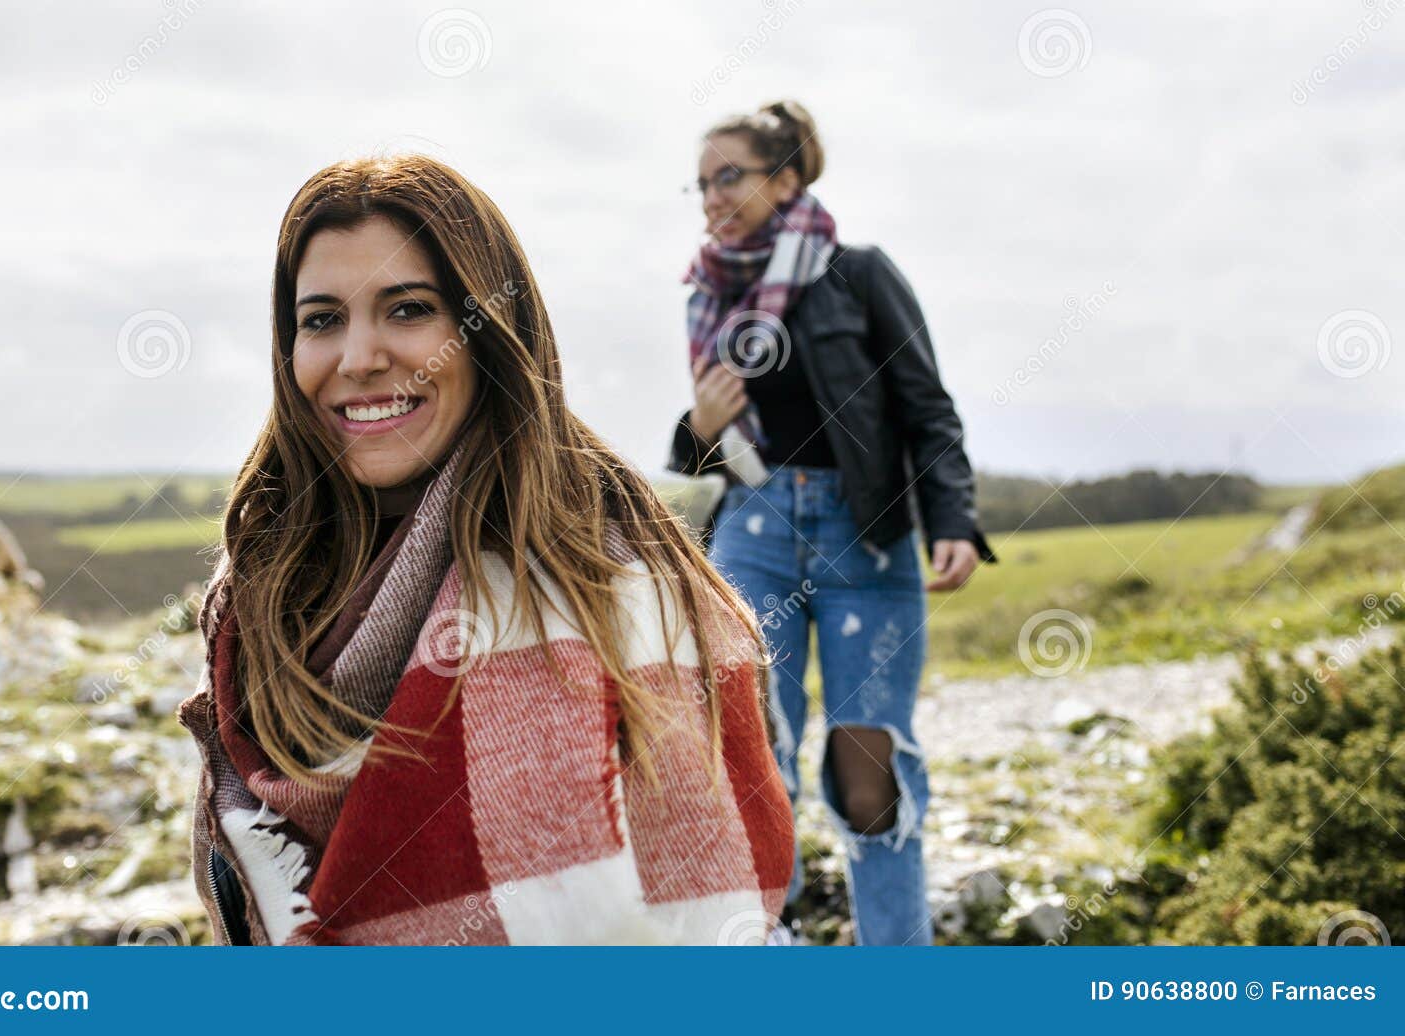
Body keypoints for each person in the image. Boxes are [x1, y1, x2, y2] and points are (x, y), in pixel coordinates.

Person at [176, 153, 795, 945]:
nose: (359, 357)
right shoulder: (256, 595)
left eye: (408, 310)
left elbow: (708, 923)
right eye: (323, 319)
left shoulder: (615, 588)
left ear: (489, 336)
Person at [667, 100, 996, 946]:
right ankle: (765, 954)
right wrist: (697, 428)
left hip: (868, 531)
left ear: (787, 178)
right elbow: (698, 451)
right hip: (754, 527)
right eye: (701, 182)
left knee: (868, 777)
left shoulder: (860, 274)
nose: (710, 196)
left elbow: (928, 407)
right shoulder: (707, 293)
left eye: (728, 176)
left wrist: (951, 518)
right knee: (750, 756)